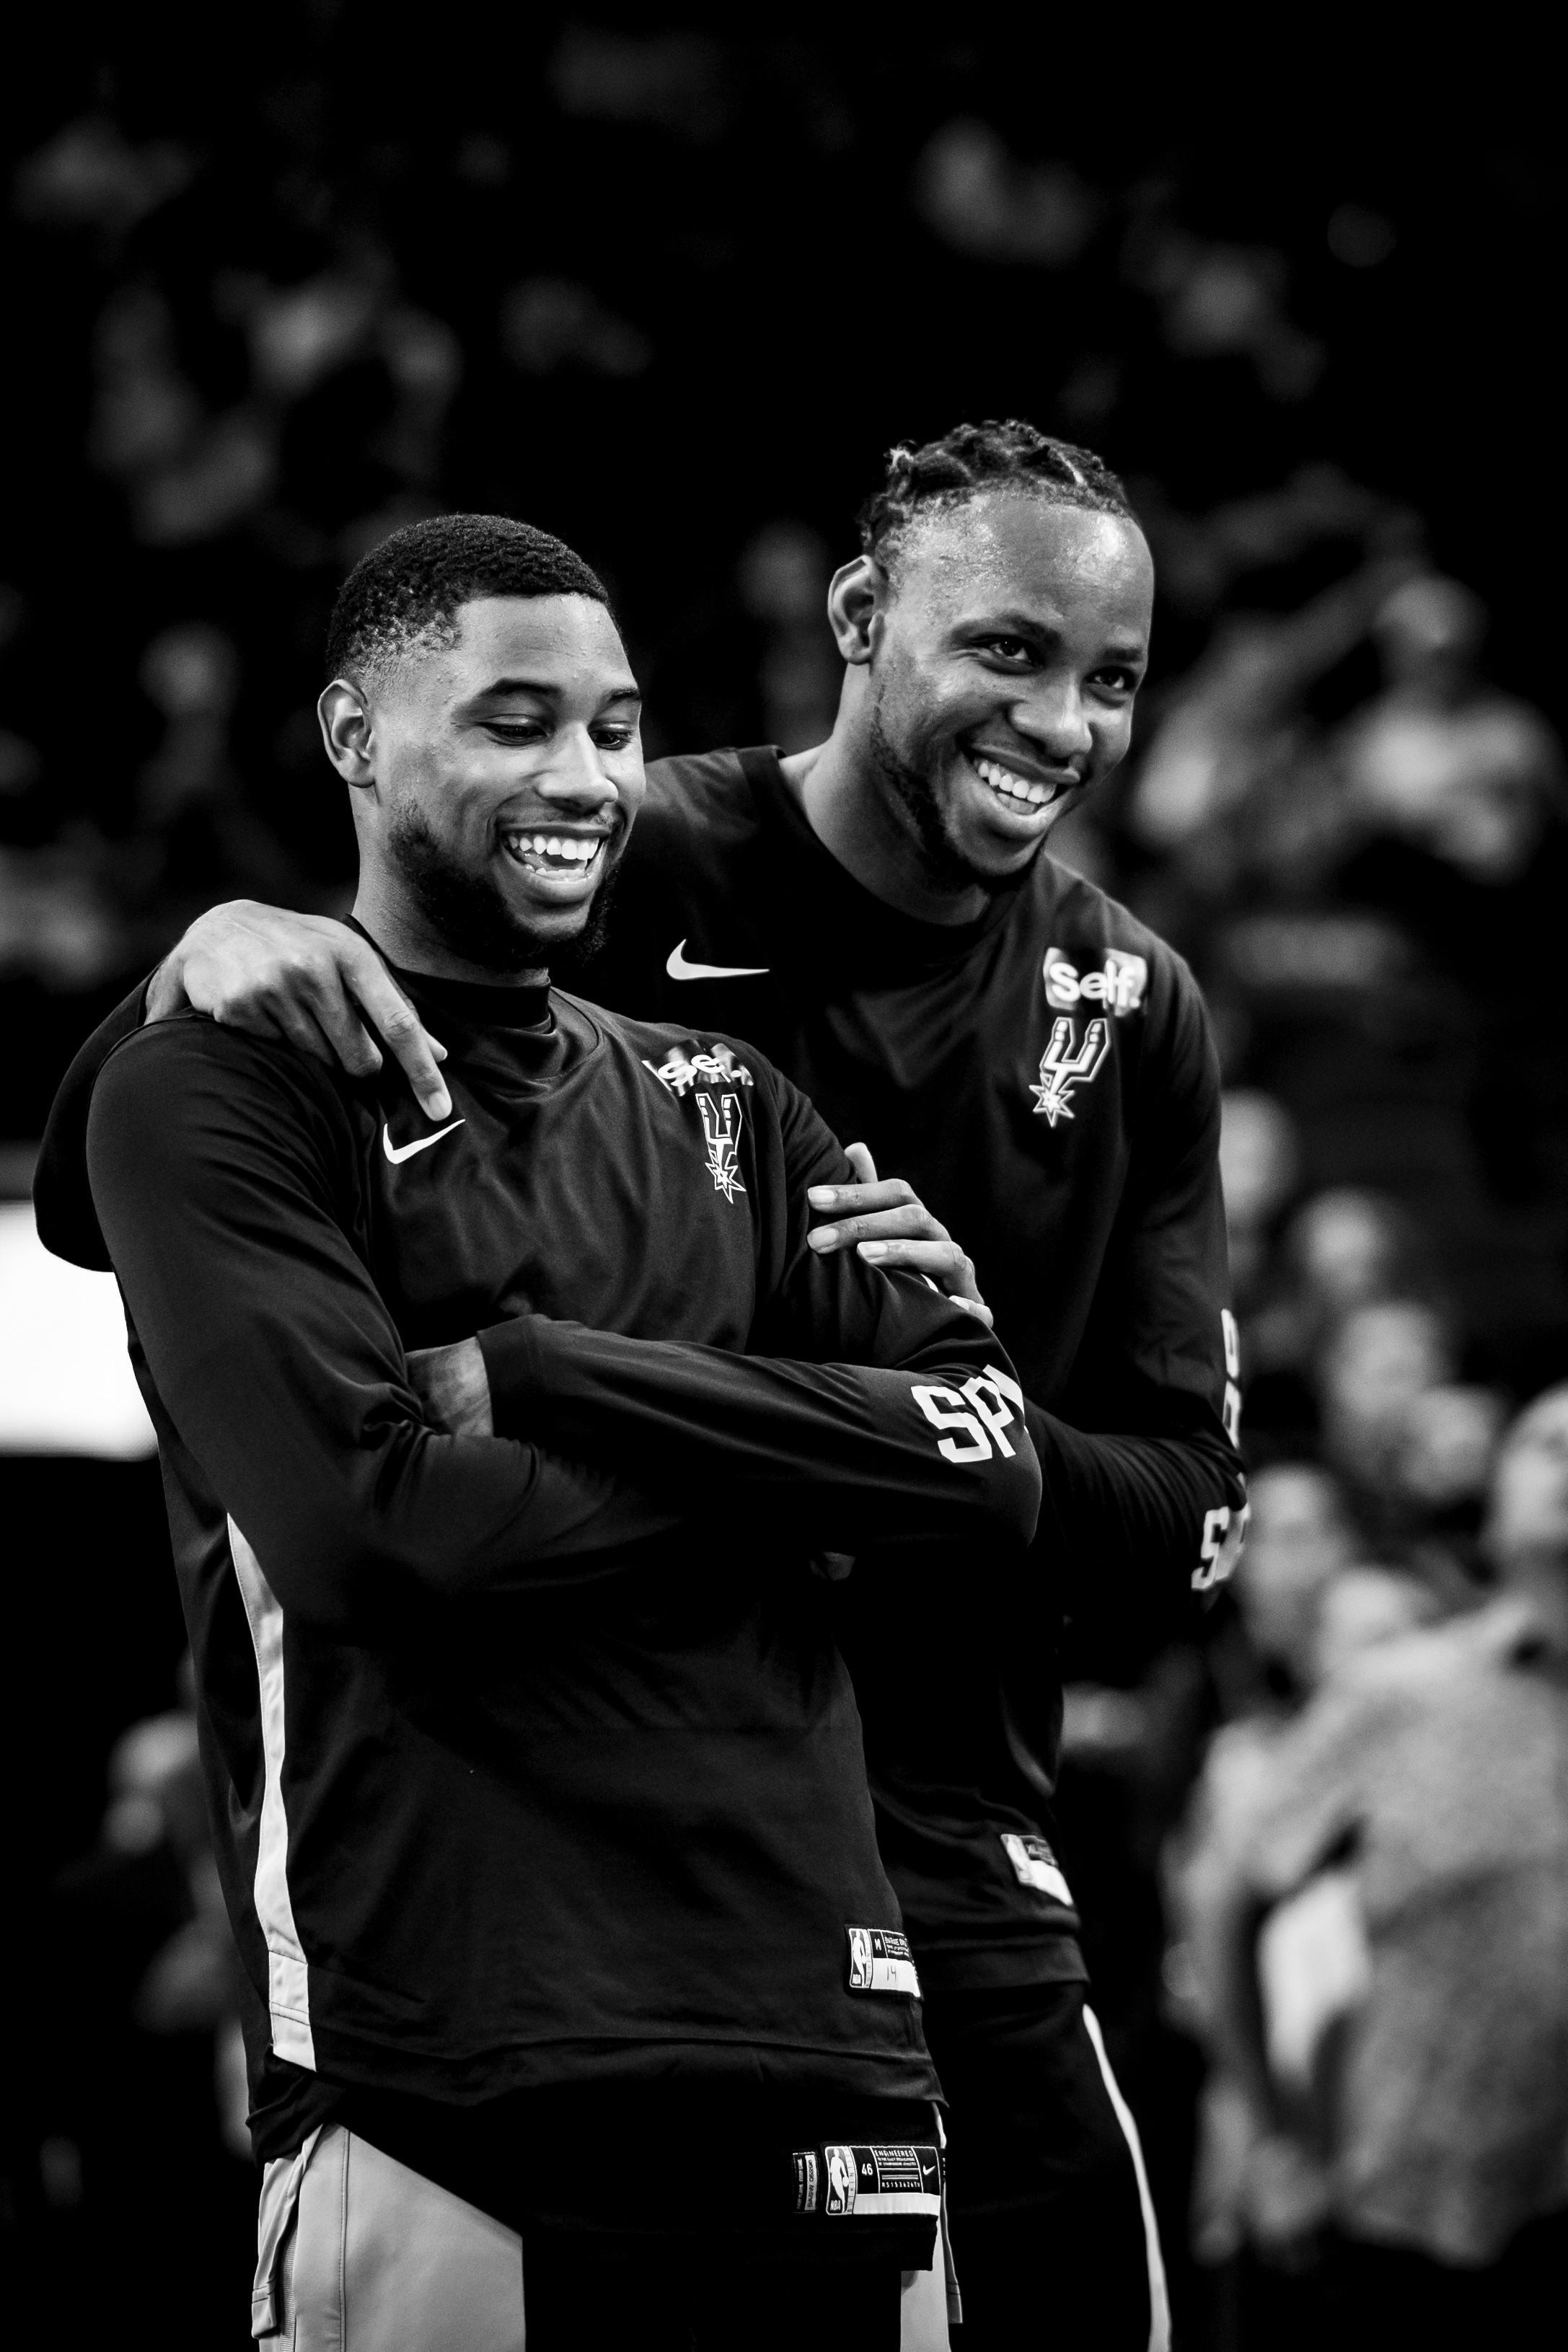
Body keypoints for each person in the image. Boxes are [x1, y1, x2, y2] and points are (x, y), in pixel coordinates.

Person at [40, 421, 1248, 2348]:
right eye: (1005, 651)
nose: (1059, 722)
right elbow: (152, 1195)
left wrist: (575, 1386)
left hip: (930, 1835)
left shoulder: (1128, 1002)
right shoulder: (621, 843)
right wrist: (192, 965)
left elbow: (1178, 1528)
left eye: (1108, 678)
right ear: (858, 618)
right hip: (566, 1855)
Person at [1204, 1386, 1568, 2351]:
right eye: (1543, 1441)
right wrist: (1278, 2131)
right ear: (1494, 1499)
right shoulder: (1404, 1692)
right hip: (1408, 2212)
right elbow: (1226, 1897)